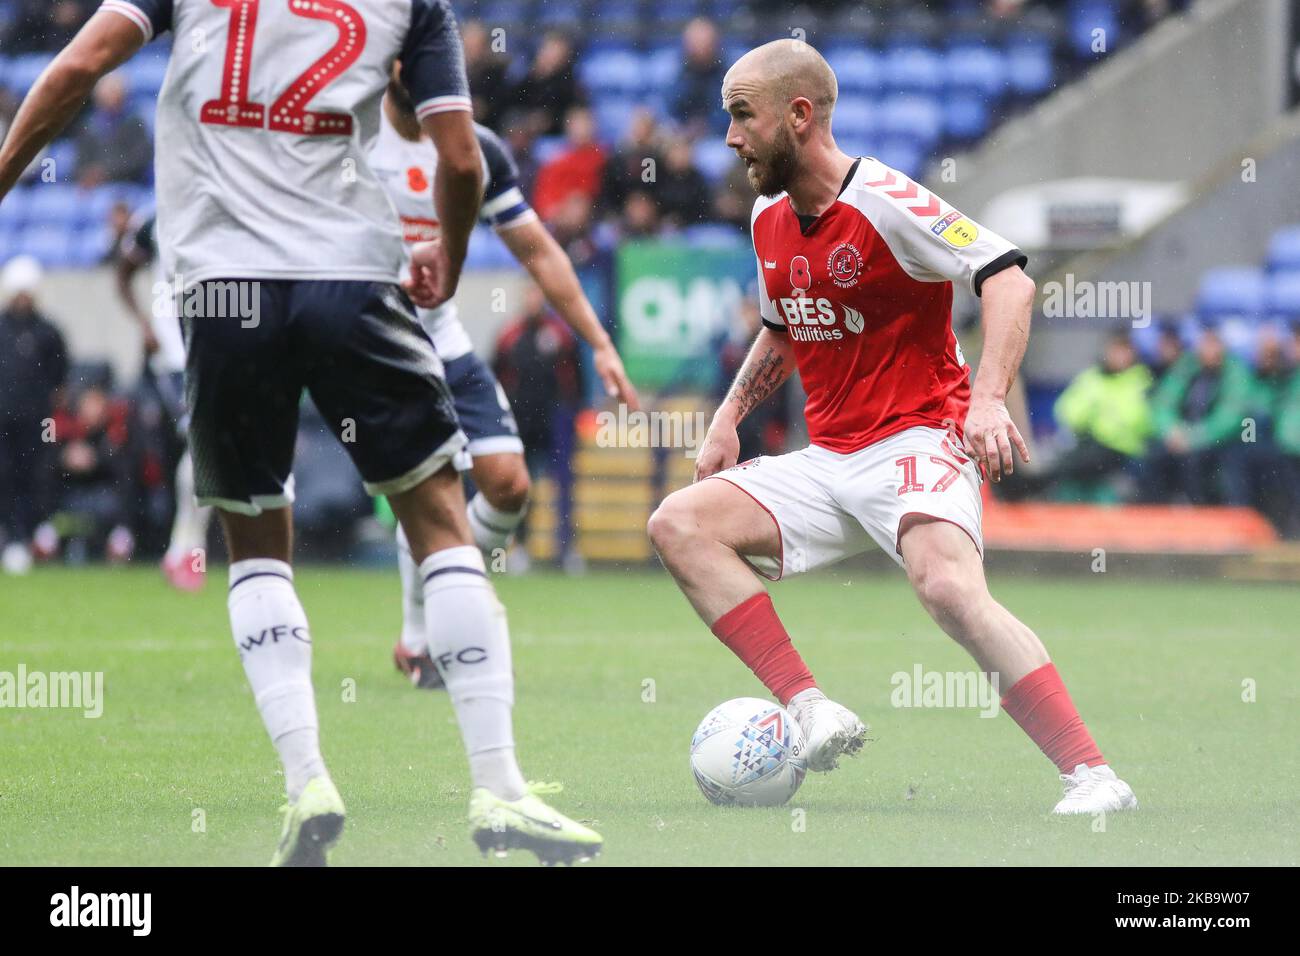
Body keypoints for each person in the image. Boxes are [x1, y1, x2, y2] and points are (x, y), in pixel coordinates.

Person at [0, 0, 601, 866]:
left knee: (256, 544)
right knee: (439, 521)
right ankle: (501, 789)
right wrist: (452, 257)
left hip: (223, 286)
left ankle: (306, 779)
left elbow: (75, 70)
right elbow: (462, 160)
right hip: (351, 276)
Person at [647, 40, 1138, 815]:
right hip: (831, 454)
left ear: (798, 116)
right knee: (678, 523)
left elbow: (1010, 279)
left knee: (946, 587)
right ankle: (810, 707)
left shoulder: (886, 201)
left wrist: (987, 400)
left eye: (742, 116)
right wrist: (728, 419)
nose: (731, 137)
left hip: (920, 435)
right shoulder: (768, 216)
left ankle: (1094, 777)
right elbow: (783, 324)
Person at [370, 74, 639, 687]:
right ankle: (422, 636)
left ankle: (457, 588)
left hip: (442, 341)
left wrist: (599, 344)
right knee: (427, 487)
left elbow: (540, 252)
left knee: (509, 486)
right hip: (371, 345)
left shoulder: (475, 149)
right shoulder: (352, 135)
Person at [115, 208, 212, 590]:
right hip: (174, 357)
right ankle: (188, 550)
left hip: (218, 349)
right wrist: (144, 323)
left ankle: (180, 551)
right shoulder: (154, 219)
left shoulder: (221, 203)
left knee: (206, 446)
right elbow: (123, 272)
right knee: (200, 442)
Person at [1009, 330, 1152, 500]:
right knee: (1065, 458)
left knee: (1070, 464)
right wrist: (1098, 413)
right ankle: (1030, 487)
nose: (1119, 356)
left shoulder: (1140, 380)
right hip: (1087, 443)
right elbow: (1066, 411)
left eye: (1124, 351)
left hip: (1120, 450)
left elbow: (1139, 420)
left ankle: (1030, 488)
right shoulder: (1092, 377)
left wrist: (1098, 415)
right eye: (1116, 349)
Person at [0, 256, 67, 575]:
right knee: (7, 475)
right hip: (3, 419)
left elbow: (59, 380)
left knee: (39, 474)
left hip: (40, 422)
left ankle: (39, 532)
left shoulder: (49, 331)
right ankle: (12, 538)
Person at [1144, 327, 1254, 505]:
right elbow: (1163, 402)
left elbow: (1231, 418)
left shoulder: (1236, 371)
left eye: (1214, 344)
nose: (1210, 350)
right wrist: (1170, 430)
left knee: (1201, 462)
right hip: (1181, 438)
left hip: (1222, 441)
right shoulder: (1187, 366)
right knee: (1150, 458)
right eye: (1206, 344)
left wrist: (1193, 437)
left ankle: (1207, 513)